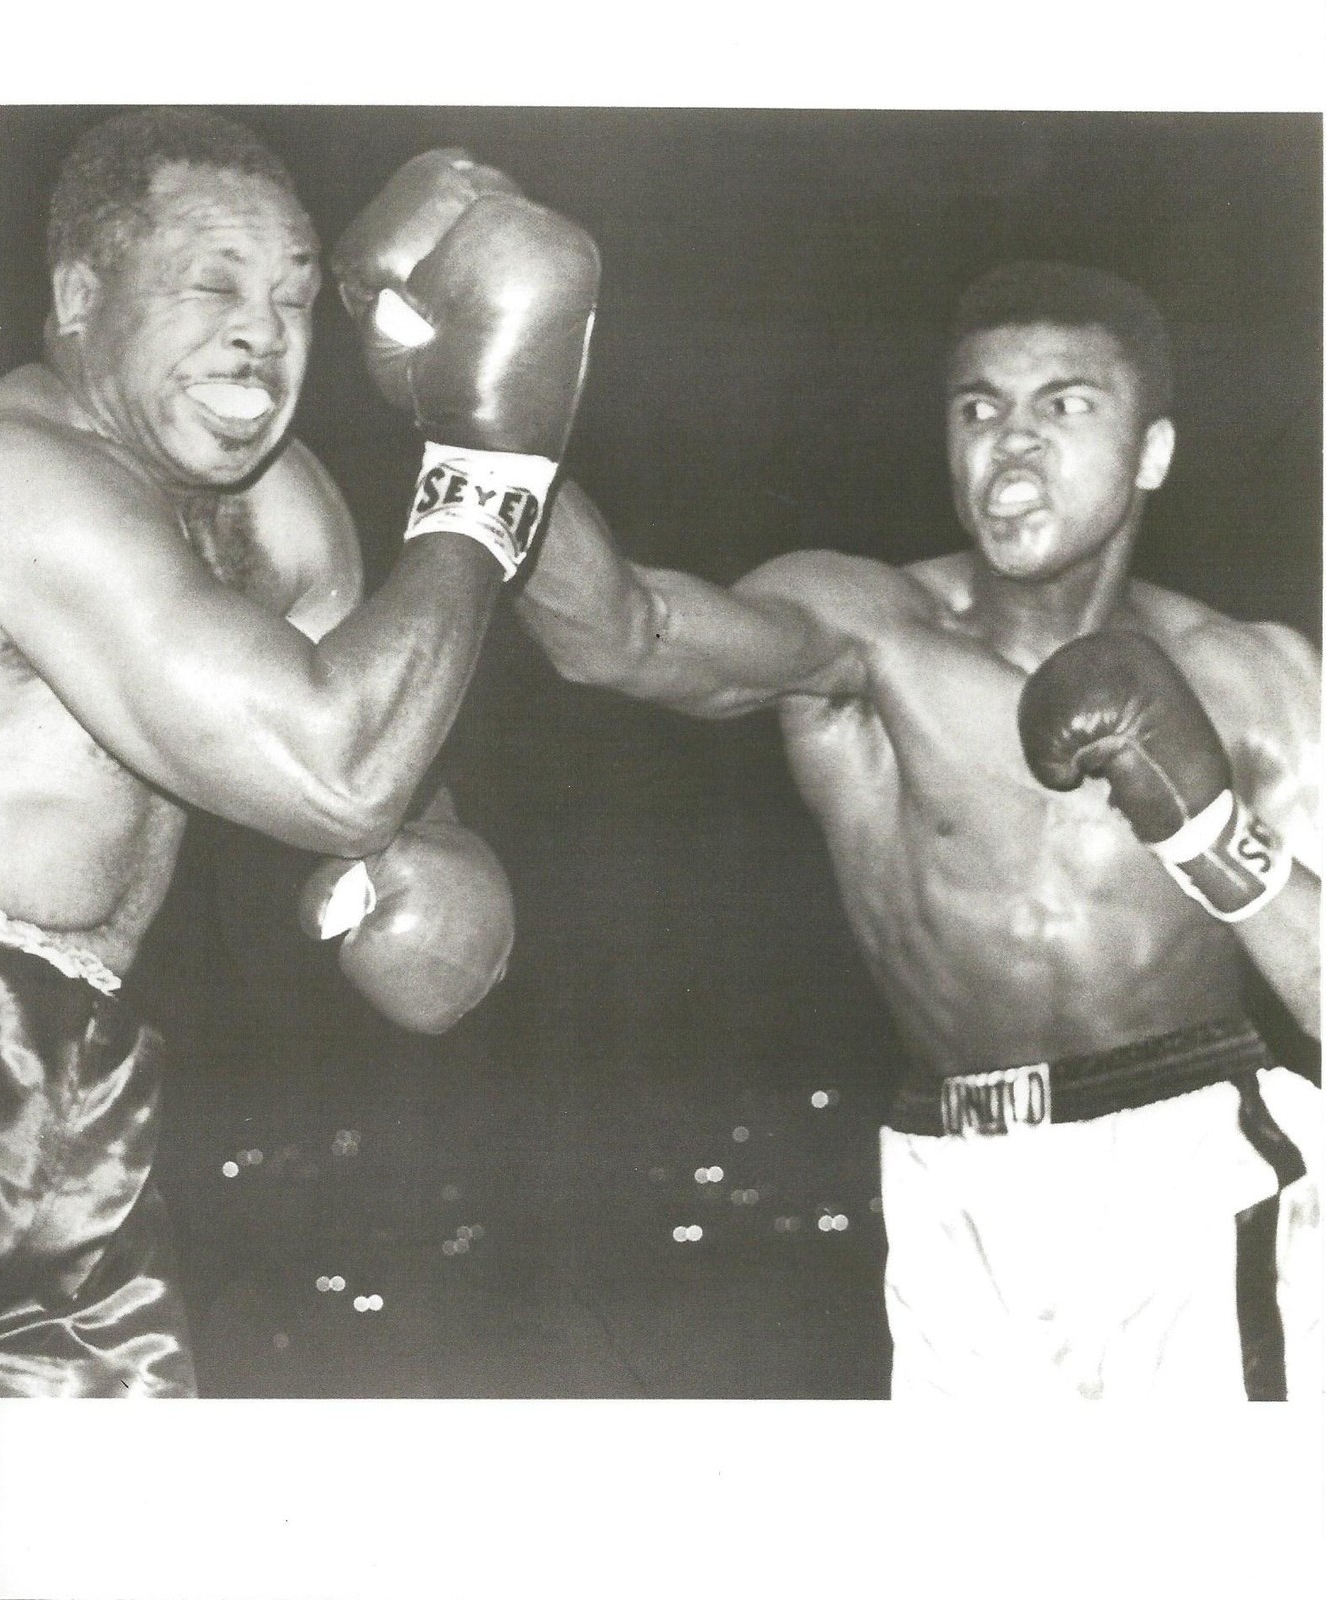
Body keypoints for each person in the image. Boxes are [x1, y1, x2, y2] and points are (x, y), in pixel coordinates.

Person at [517, 259, 1321, 1399]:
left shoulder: (1249, 676)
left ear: (1153, 453)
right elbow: (618, 634)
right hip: (948, 1185)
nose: (1015, 443)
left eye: (1066, 405)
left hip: (1197, 1173)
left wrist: (1208, 834)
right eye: (980, 408)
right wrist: (492, 439)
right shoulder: (872, 633)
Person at [0, 110, 598, 1396]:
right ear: (79, 295)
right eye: (212, 285)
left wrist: (426, 872)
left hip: (82, 1095)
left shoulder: (281, 508)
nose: (262, 331)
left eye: (292, 296)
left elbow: (391, 808)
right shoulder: (17, 475)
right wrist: (491, 453)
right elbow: (335, 769)